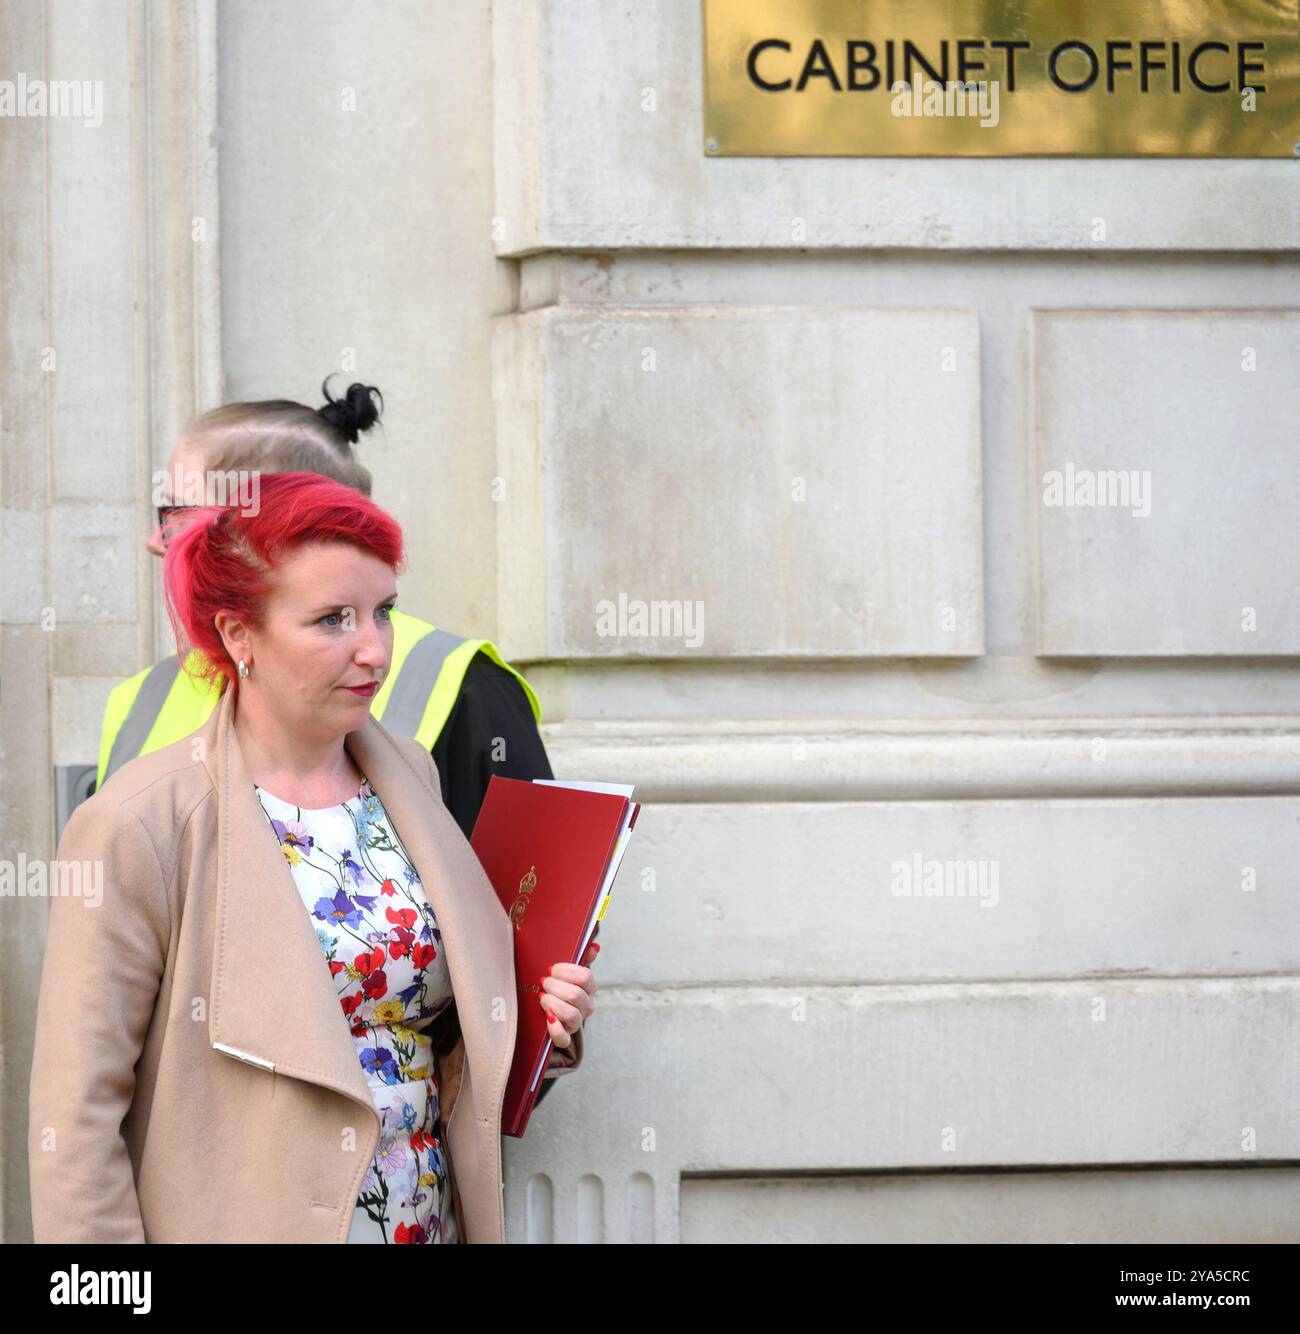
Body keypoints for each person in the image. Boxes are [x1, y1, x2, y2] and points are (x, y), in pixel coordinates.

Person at [28, 473, 597, 1243]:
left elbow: (425, 1039)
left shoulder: (411, 776)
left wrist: (536, 1032)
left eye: (383, 611)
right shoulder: (136, 825)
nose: (375, 649)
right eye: (333, 620)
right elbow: (75, 1127)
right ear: (238, 637)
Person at [96, 377, 588, 1111]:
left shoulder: (456, 685)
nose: (154, 540)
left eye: (178, 513)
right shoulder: (137, 700)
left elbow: (522, 961)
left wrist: (542, 1044)